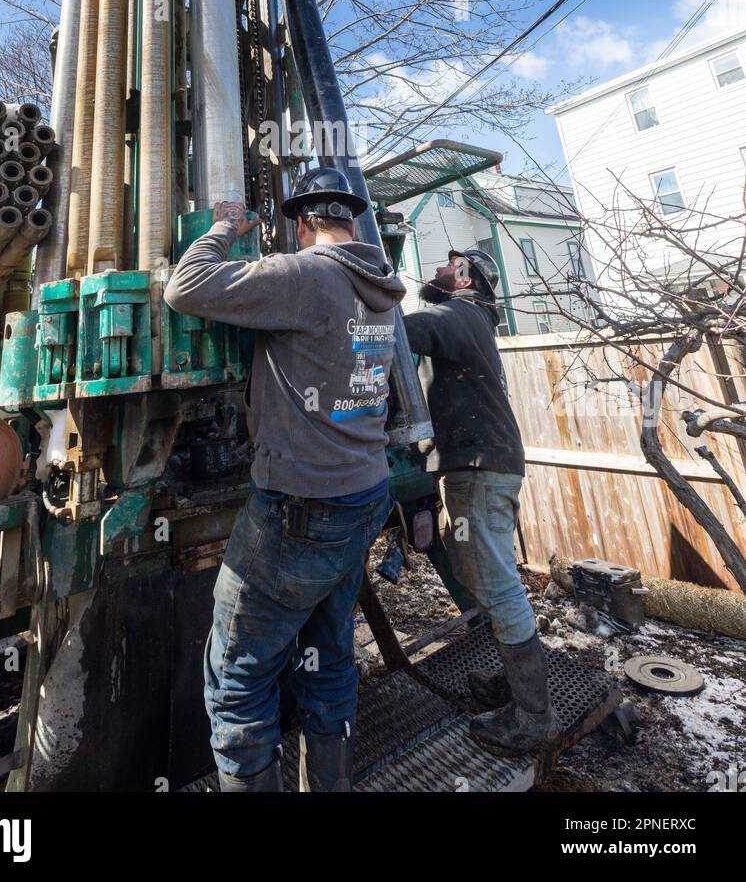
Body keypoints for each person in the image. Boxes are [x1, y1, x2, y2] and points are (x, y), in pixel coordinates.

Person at [164, 168, 404, 792]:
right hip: (362, 495)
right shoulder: (379, 289)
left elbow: (186, 288)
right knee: (329, 656)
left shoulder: (306, 275)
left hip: (301, 510)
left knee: (238, 676)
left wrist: (223, 228)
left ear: (302, 226)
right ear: (351, 223)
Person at [402, 250, 559, 756]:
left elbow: (399, 331)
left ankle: (534, 717)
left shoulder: (460, 313)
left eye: (450, 265)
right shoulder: (472, 323)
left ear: (467, 279)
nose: (439, 270)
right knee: (476, 569)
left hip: (479, 468)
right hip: (478, 465)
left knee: (496, 583)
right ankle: (513, 685)